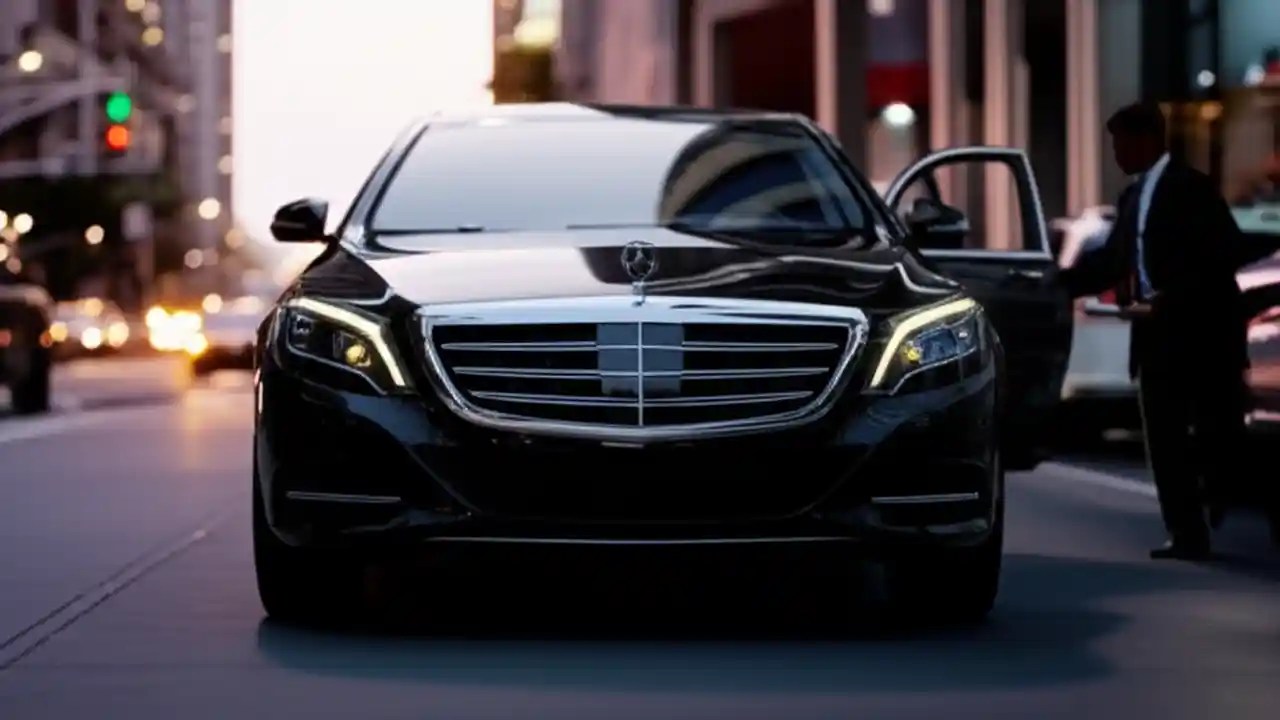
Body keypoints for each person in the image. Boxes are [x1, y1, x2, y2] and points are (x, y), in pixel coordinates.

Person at [1059, 102, 1250, 560]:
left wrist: (1175, 293)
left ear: (1145, 140)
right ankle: (1186, 534)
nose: (1115, 154)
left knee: (1214, 430)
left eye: (1120, 144)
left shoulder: (1192, 188)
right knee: (1164, 439)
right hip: (1154, 335)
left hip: (1203, 333)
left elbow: (1225, 251)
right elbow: (1111, 262)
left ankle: (1220, 491)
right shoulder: (1131, 197)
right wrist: (1054, 283)